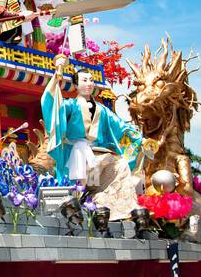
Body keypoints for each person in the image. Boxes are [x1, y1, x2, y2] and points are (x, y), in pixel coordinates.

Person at [42, 54, 142, 185]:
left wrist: (140, 138)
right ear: (76, 85)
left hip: (97, 152)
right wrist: (57, 75)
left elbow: (121, 126)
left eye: (91, 80)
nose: (89, 84)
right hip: (74, 151)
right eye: (84, 80)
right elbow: (52, 102)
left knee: (102, 183)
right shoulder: (70, 105)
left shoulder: (102, 110)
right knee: (75, 187)